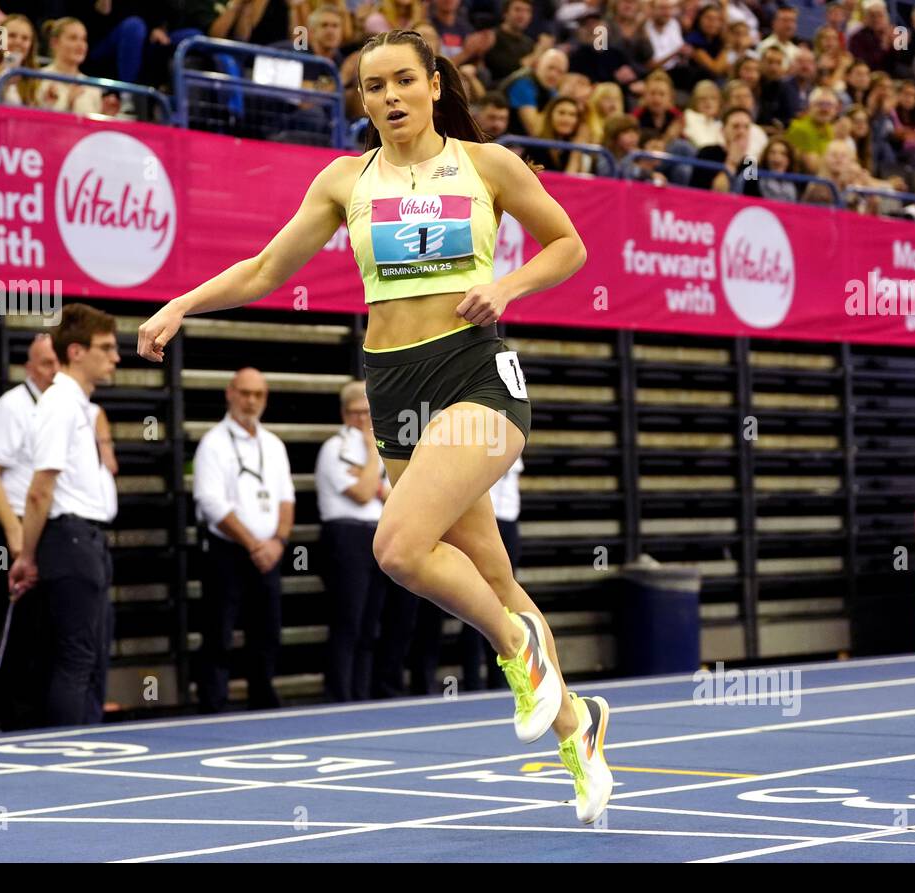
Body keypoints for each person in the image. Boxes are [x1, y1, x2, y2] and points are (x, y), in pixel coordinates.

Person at [136, 28, 613, 824]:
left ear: (433, 84)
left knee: (396, 548)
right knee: (492, 580)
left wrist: (511, 286)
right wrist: (181, 303)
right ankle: (578, 729)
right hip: (394, 389)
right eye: (369, 86)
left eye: (401, 81)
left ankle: (518, 651)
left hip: (474, 374)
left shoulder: (486, 164)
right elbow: (263, 270)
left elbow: (569, 244)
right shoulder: (342, 181)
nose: (386, 97)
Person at [8, 305, 120, 727]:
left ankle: (88, 741)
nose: (115, 357)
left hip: (86, 539)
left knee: (89, 654)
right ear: (76, 351)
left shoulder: (80, 406)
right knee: (76, 656)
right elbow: (40, 491)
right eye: (106, 348)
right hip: (69, 537)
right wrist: (27, 555)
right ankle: (69, 750)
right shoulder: (59, 404)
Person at [192, 369, 296, 712]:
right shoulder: (214, 443)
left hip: (269, 551)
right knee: (219, 630)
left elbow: (286, 498)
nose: (251, 401)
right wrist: (253, 544)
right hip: (228, 551)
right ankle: (213, 702)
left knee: (267, 631)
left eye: (258, 395)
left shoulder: (274, 445)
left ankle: (262, 698)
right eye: (245, 393)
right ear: (230, 393)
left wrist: (278, 541)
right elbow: (211, 502)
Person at [0, 334, 57, 730]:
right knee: (11, 627)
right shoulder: (11, 408)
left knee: (46, 628)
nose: (52, 371)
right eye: (45, 363)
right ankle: (2, 720)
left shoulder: (63, 408)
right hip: (17, 532)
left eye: (57, 362)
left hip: (48, 531)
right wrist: (14, 530)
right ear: (28, 367)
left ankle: (39, 717)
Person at [314, 381, 391, 703]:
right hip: (346, 535)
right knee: (348, 619)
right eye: (358, 413)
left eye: (369, 413)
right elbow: (362, 494)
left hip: (377, 532)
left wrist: (372, 473)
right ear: (346, 414)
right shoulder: (336, 448)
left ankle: (363, 693)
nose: (364, 420)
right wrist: (372, 453)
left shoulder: (382, 447)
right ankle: (340, 695)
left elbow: (392, 494)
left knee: (371, 622)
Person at [458, 454, 521, 690]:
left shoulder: (511, 432)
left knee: (504, 601)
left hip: (508, 519)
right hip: (483, 521)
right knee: (477, 603)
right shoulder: (476, 431)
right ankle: (473, 679)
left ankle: (502, 677)